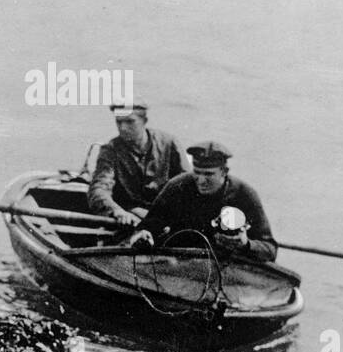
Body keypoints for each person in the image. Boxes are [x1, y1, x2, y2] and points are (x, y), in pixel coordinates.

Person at [127, 141, 278, 262]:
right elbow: (149, 225)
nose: (201, 181)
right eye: (197, 173)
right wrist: (143, 234)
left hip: (225, 266)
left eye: (209, 175)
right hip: (178, 263)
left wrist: (246, 244)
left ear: (224, 172)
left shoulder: (244, 195)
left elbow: (270, 249)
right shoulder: (177, 186)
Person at [86, 104, 187, 227]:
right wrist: (116, 211)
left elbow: (187, 182)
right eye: (119, 122)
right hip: (130, 219)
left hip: (165, 216)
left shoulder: (169, 144)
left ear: (144, 121)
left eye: (130, 121)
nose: (123, 128)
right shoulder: (110, 151)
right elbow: (99, 189)